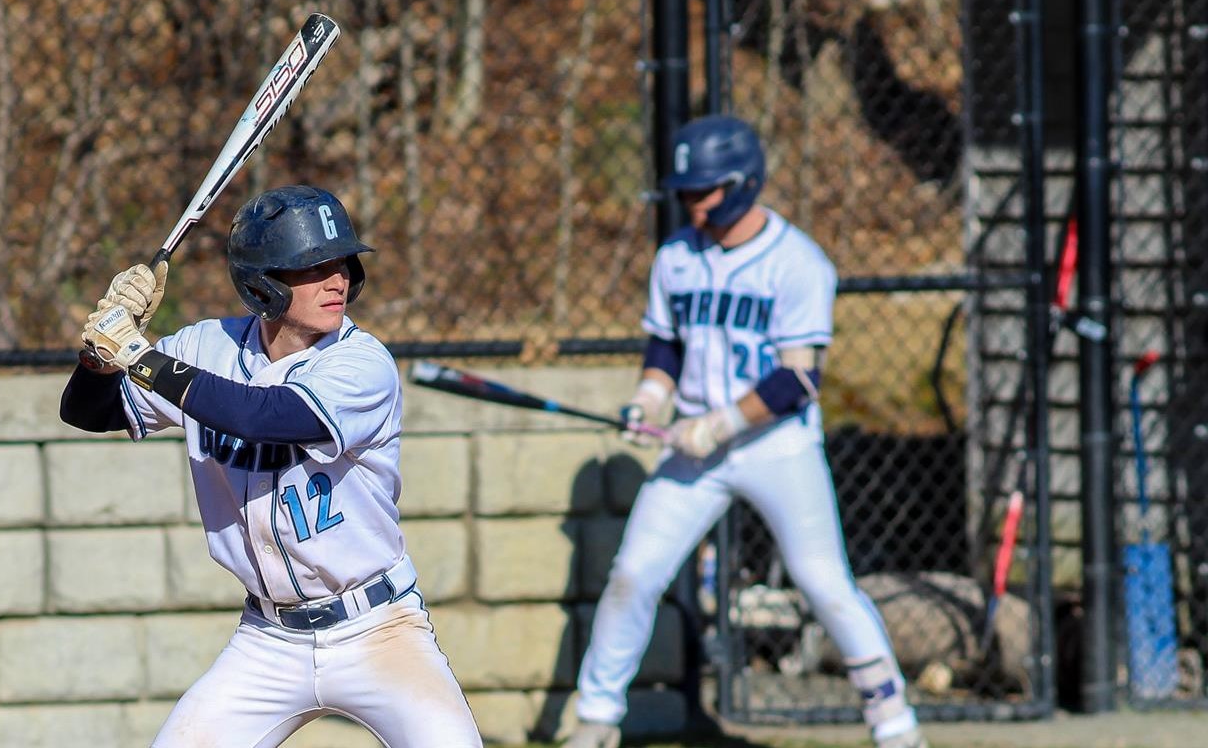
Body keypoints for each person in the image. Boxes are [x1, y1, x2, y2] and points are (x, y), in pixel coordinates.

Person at [62, 185, 481, 747]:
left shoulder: (362, 362)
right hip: (268, 641)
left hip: (379, 630)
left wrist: (137, 355)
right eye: (312, 268)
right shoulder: (207, 347)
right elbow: (87, 411)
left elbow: (263, 416)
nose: (337, 281)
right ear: (261, 284)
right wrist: (99, 355)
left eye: (342, 263)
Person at [560, 115, 925, 748]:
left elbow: (799, 379)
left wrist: (722, 423)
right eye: (686, 192)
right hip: (695, 451)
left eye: (703, 191)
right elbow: (666, 348)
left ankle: (896, 728)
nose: (692, 204)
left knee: (824, 584)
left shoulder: (797, 261)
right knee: (633, 574)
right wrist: (650, 398)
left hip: (775, 446)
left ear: (742, 183)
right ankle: (595, 722)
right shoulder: (677, 257)